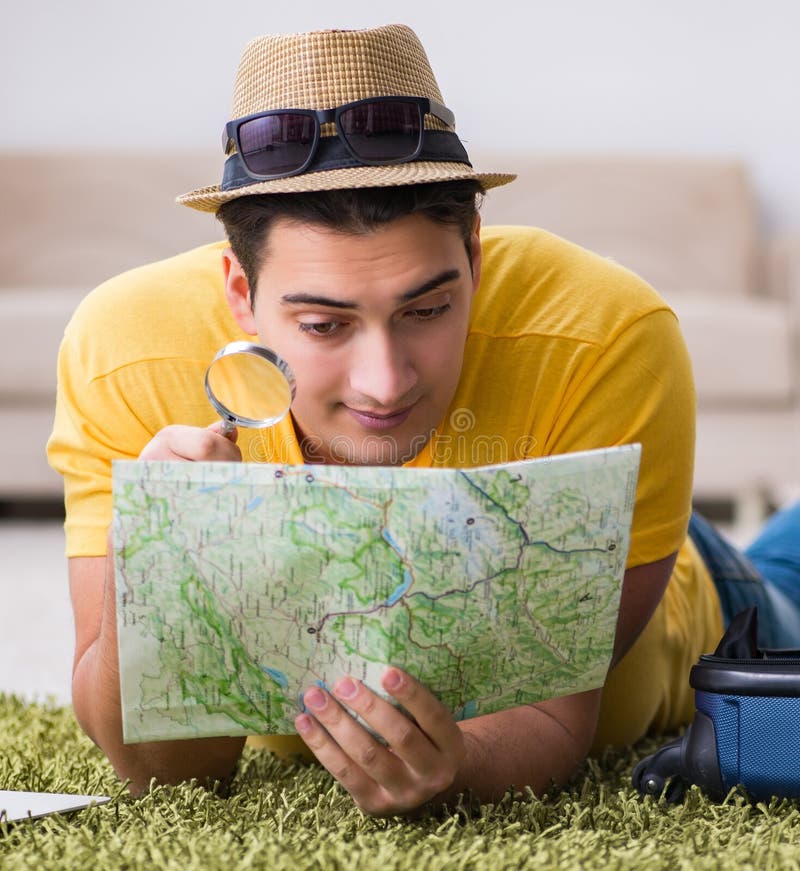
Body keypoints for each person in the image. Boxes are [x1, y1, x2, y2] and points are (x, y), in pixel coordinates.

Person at [47, 24, 800, 817]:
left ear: (474, 254)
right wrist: (155, 560)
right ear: (239, 291)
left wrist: (459, 766)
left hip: (704, 591)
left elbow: (549, 718)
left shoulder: (605, 334)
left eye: (428, 309)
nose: (384, 383)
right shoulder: (126, 353)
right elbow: (166, 773)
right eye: (325, 325)